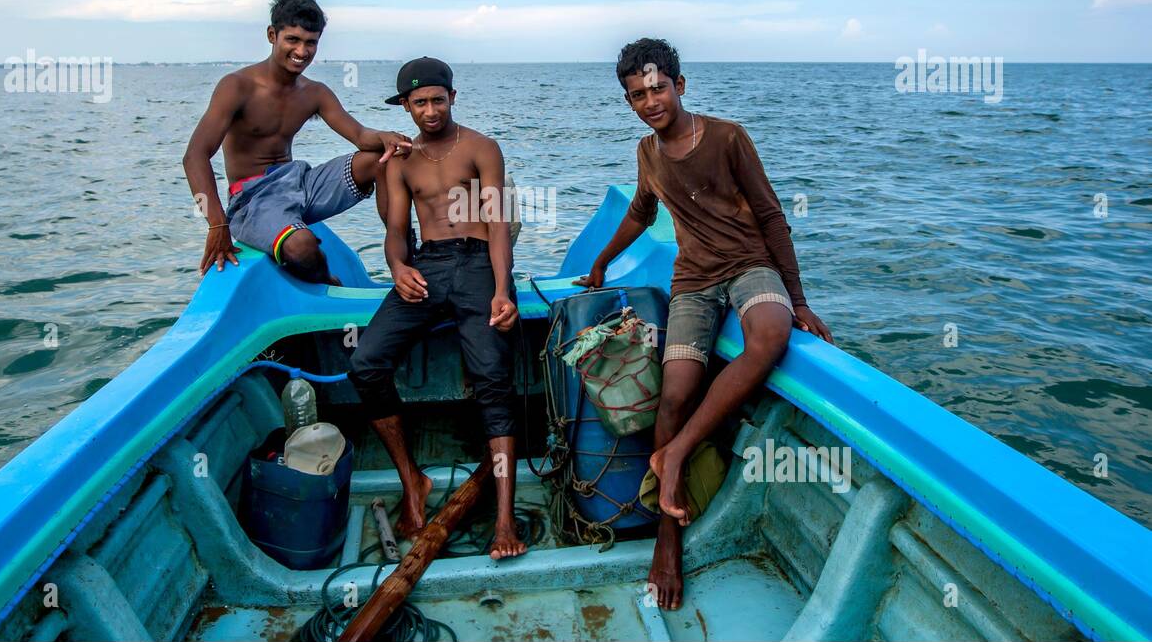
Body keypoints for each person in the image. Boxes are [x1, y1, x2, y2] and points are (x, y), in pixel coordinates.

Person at [574, 38, 832, 610]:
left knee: (769, 335)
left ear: (680, 85)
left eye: (657, 88)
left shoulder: (727, 137)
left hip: (750, 267)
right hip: (693, 281)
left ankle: (674, 456)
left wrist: (799, 298)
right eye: (637, 95)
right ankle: (668, 537)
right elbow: (642, 210)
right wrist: (599, 262)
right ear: (629, 101)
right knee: (673, 394)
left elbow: (769, 214)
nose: (649, 101)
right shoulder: (647, 152)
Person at [347, 57, 526, 560]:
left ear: (452, 97)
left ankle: (506, 519)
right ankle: (413, 482)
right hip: (428, 265)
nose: (430, 110)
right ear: (405, 105)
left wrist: (501, 290)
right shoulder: (402, 159)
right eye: (419, 102)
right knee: (365, 363)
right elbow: (396, 231)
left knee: (493, 377)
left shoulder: (481, 147)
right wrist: (398, 269)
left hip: (476, 263)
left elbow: (496, 224)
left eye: (437, 99)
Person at [183, 0, 412, 283]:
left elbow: (360, 136)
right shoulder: (237, 86)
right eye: (293, 39)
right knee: (302, 247)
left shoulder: (314, 92)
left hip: (300, 183)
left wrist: (387, 137)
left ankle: (405, 262)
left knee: (382, 160)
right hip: (253, 199)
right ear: (272, 35)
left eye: (311, 42)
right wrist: (217, 224)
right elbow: (195, 156)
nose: (302, 51)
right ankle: (328, 286)